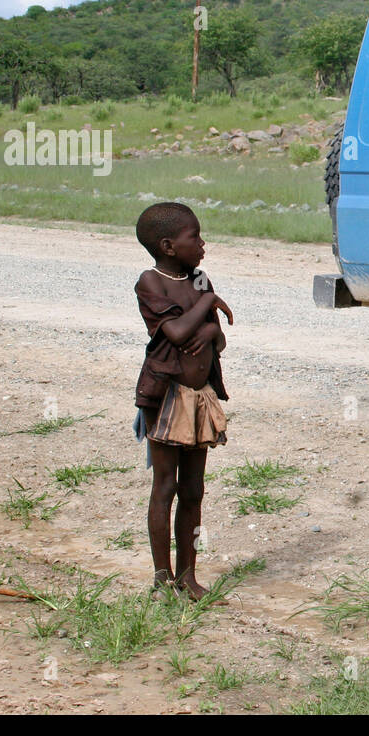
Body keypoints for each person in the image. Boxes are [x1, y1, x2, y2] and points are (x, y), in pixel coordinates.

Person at [134, 202, 233, 600]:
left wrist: (211, 332)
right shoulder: (150, 282)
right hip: (167, 397)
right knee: (165, 487)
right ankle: (162, 579)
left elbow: (218, 338)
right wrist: (209, 306)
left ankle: (187, 576)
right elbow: (174, 332)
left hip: (200, 396)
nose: (203, 242)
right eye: (195, 236)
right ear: (168, 245)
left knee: (193, 489)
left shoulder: (198, 279)